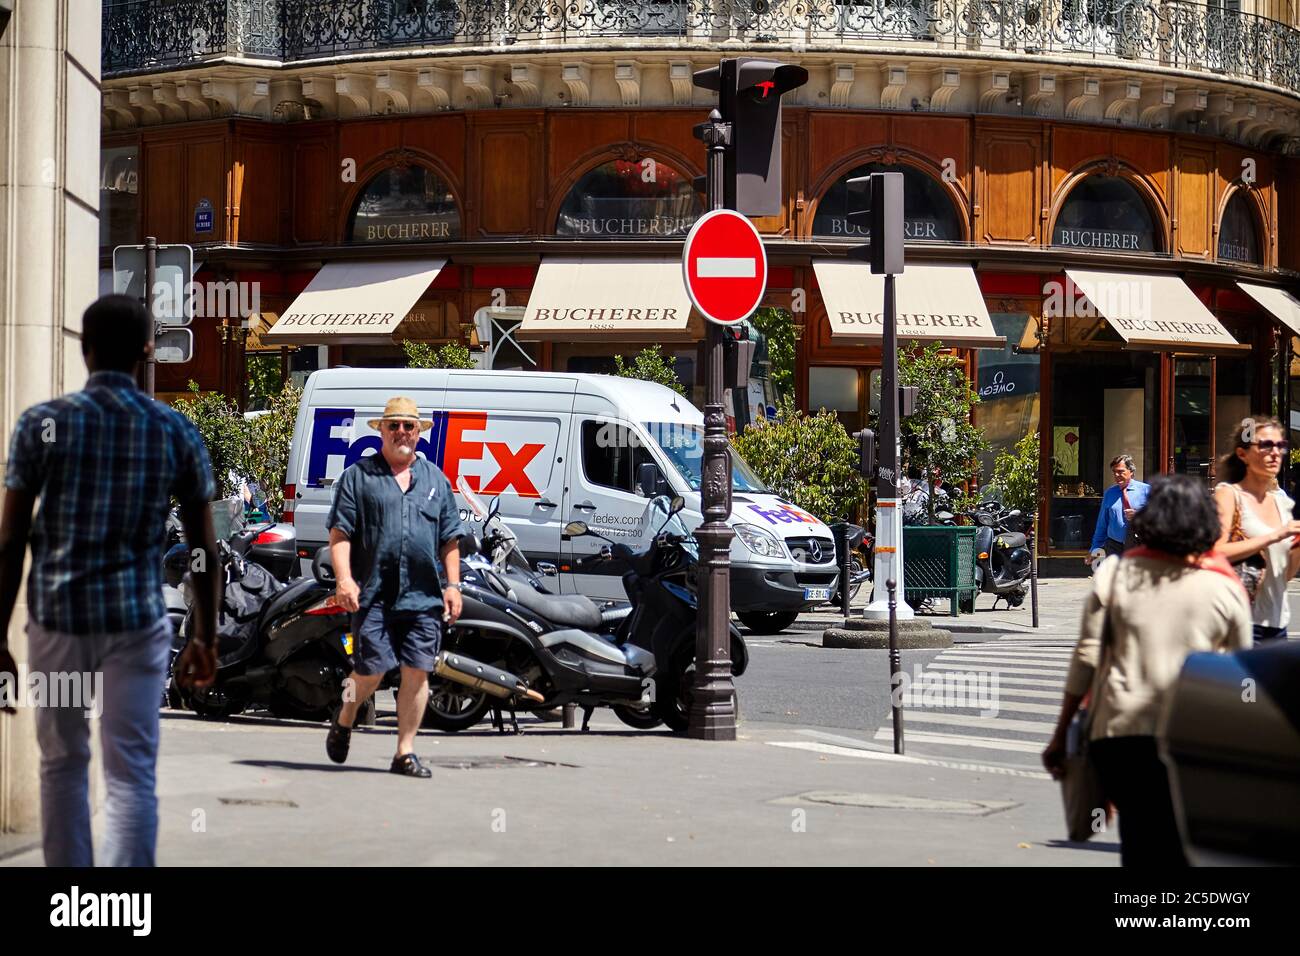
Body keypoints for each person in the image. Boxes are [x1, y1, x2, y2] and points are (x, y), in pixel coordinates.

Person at [0, 294, 220, 867]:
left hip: (59, 624)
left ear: (83, 348)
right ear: (149, 350)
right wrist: (206, 636)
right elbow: (203, 550)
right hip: (136, 626)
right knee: (130, 773)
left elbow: (10, 543)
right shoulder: (175, 431)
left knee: (63, 763)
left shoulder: (42, 426)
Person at [1044, 474, 1252, 866]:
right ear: (1206, 524)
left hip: (1121, 733)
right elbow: (1241, 679)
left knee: (1139, 833)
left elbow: (1087, 658)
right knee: (1185, 838)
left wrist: (1061, 734)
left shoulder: (1115, 576)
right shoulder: (1226, 588)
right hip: (1194, 734)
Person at [325, 396, 465, 778]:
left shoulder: (436, 480)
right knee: (368, 672)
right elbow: (340, 534)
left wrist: (453, 585)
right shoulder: (359, 477)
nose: (402, 432)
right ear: (382, 431)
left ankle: (405, 752)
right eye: (394, 426)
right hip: (373, 595)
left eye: (409, 426)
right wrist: (344, 579)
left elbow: (450, 539)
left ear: (419, 433)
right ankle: (346, 713)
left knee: (417, 670)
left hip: (422, 596)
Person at [1211, 415, 1300, 643]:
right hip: (1241, 624)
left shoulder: (1282, 503)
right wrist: (1274, 536)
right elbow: (1215, 553)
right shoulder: (1228, 494)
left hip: (1277, 624)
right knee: (1244, 681)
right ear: (1242, 454)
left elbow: (1283, 575)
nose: (1275, 452)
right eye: (1266, 445)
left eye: (1280, 445)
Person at [1087, 454, 1149, 566]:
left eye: (1120, 471)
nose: (1116, 475)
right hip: (1114, 547)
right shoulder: (1110, 493)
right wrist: (1095, 548)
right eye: (1114, 472)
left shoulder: (1146, 491)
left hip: (1139, 545)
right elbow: (1102, 523)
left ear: (1131, 471)